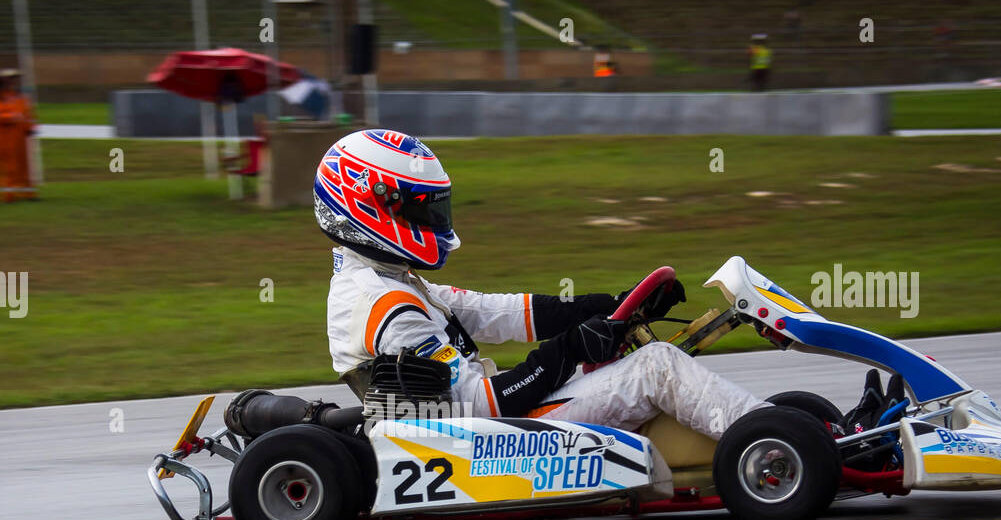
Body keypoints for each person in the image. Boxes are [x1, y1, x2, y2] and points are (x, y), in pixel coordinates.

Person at [313, 130, 766, 438]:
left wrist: (610, 305)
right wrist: (570, 349)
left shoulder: (390, 282)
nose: (433, 220)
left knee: (639, 359)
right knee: (657, 366)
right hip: (482, 437)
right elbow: (478, 404)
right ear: (372, 205)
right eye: (421, 210)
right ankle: (769, 439)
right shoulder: (381, 302)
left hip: (480, 425)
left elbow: (495, 312)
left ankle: (772, 429)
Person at [0, 69, 37, 203]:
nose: (13, 82)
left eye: (15, 78)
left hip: (18, 136)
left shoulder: (20, 98)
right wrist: (10, 118)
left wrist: (30, 127)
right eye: (10, 79)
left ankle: (16, 194)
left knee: (16, 166)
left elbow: (27, 115)